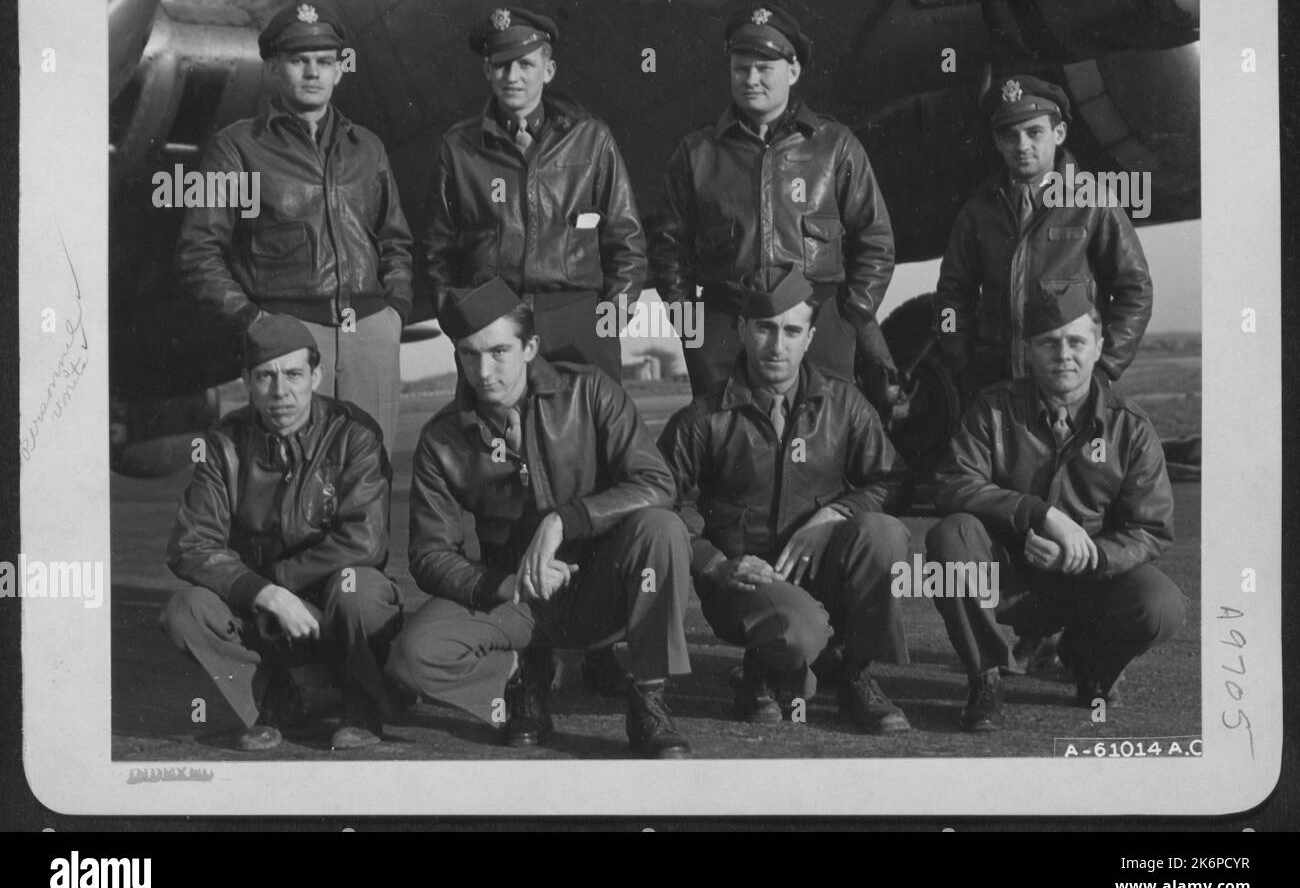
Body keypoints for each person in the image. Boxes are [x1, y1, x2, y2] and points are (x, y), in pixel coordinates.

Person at [386, 279, 693, 758]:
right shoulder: (441, 439)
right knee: (412, 657)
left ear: (530, 348)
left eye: (499, 352)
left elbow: (657, 483)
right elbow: (429, 554)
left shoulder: (590, 392)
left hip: (598, 589)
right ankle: (520, 679)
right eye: (469, 355)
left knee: (661, 527)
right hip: (518, 600)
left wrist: (565, 521)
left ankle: (649, 699)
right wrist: (506, 586)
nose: (483, 371)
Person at [658, 266, 913, 733]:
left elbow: (891, 480)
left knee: (884, 533)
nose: (778, 346)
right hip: (744, 582)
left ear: (811, 336)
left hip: (822, 571)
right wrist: (714, 562)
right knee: (799, 633)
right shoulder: (702, 418)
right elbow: (658, 505)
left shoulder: (845, 405)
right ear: (741, 330)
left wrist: (836, 513)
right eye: (765, 329)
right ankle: (765, 667)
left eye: (792, 331)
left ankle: (854, 674)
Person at [924, 285, 1186, 732]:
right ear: (1028, 350)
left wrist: (1091, 556)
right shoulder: (993, 409)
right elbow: (952, 482)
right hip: (1008, 577)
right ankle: (985, 677)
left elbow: (1151, 529)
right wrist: (1036, 513)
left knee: (1162, 605)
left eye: (1076, 341)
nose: (1063, 354)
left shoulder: (1132, 428)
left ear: (1099, 346)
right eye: (1048, 342)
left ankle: (1090, 664)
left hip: (1089, 584)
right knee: (951, 535)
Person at [176, 0, 413, 454]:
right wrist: (255, 322)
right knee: (292, 484)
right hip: (290, 339)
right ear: (272, 68)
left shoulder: (367, 148)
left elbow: (395, 241)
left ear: (340, 71)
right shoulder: (234, 148)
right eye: (299, 61)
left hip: (370, 336)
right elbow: (198, 251)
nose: (313, 73)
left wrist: (394, 312)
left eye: (325, 62)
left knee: (369, 479)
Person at [160, 314, 403, 751]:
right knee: (185, 610)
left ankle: (362, 702)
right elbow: (191, 543)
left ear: (317, 375)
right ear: (246, 381)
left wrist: (280, 584)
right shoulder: (223, 445)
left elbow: (364, 540)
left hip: (329, 602)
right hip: (262, 609)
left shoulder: (354, 433)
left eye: (293, 374)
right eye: (266, 377)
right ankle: (271, 700)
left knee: (360, 590)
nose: (280, 392)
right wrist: (263, 595)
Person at [650, 3, 899, 415]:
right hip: (726, 322)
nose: (751, 79)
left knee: (822, 438)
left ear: (793, 71)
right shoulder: (696, 153)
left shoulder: (835, 146)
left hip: (818, 321)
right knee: (727, 444)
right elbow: (667, 247)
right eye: (740, 68)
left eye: (764, 68)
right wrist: (691, 325)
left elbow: (875, 239)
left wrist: (848, 318)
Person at [421, 6, 646, 383]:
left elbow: (627, 241)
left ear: (548, 70)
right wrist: (463, 323)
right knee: (499, 438)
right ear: (486, 71)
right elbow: (436, 251)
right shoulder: (458, 149)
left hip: (578, 320)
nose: (513, 77)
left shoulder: (591, 139)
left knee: (587, 437)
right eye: (501, 66)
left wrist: (606, 324)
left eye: (525, 65)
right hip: (493, 322)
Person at [933, 74, 1153, 407]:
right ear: (997, 141)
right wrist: (961, 365)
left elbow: (1135, 290)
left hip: (1072, 388)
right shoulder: (978, 212)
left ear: (1059, 133)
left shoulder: (1093, 202)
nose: (1022, 146)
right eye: (1009, 135)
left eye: (1034, 132)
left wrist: (1105, 366)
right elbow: (952, 296)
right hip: (996, 389)